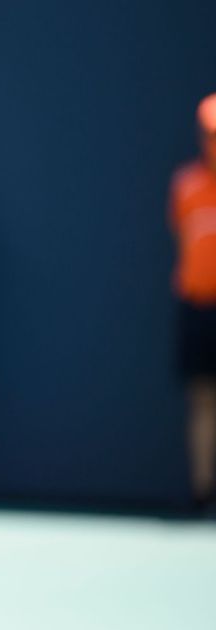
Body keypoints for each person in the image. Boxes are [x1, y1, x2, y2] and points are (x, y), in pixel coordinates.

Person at [170, 92, 216, 514]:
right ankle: (202, 492)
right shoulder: (186, 185)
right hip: (197, 308)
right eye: (209, 135)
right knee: (201, 398)